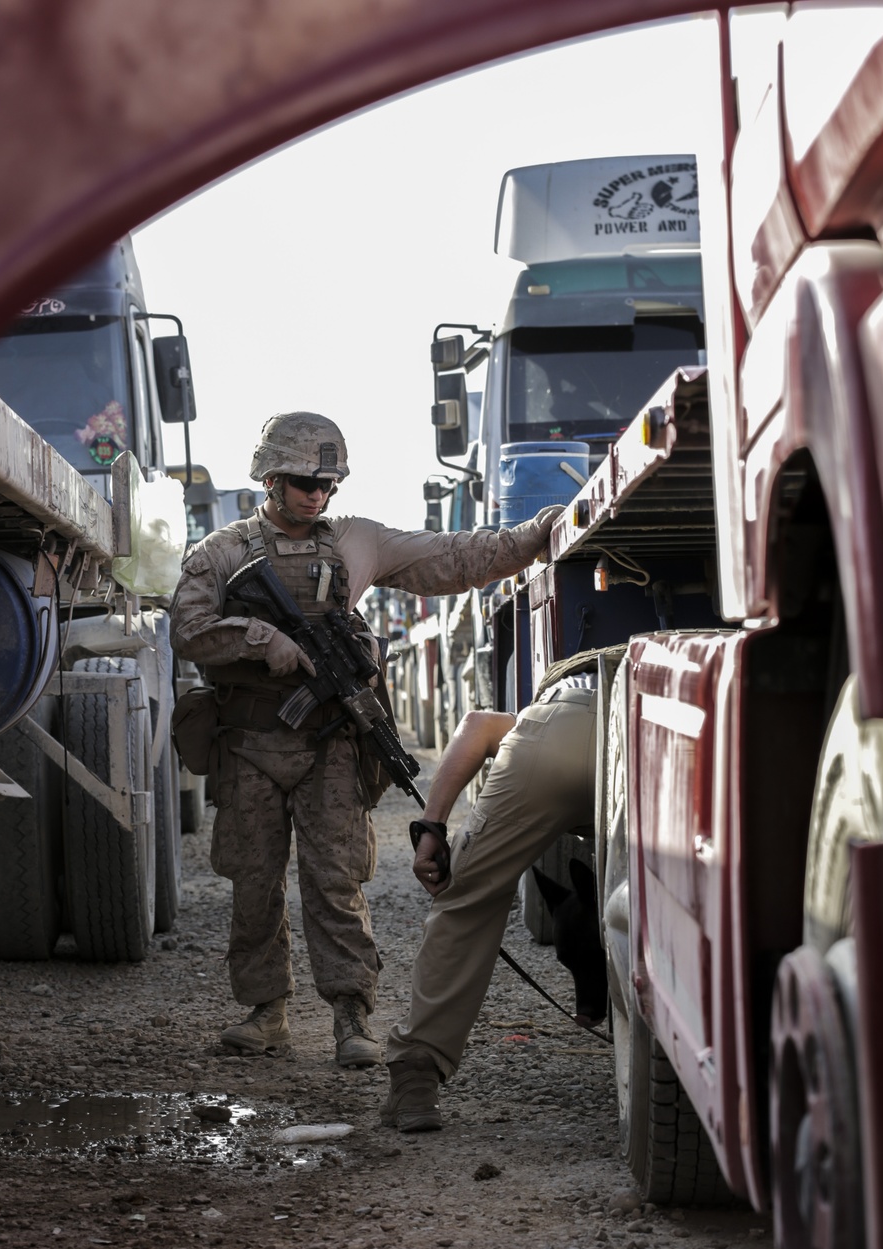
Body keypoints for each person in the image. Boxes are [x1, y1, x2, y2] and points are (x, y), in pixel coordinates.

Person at [169, 411, 562, 1068]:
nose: (316, 494)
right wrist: (265, 641)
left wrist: (529, 538)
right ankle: (266, 1014)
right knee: (254, 883)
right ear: (269, 477)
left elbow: (450, 557)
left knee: (336, 880)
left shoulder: (358, 541)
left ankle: (352, 1016)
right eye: (302, 482)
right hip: (250, 743)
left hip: (330, 743)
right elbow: (188, 629)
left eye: (328, 483)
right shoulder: (224, 552)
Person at [381, 671, 598, 1131]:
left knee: (465, 902)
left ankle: (417, 1073)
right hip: (646, 728)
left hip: (557, 735)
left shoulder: (553, 697)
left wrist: (432, 829)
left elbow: (477, 724)